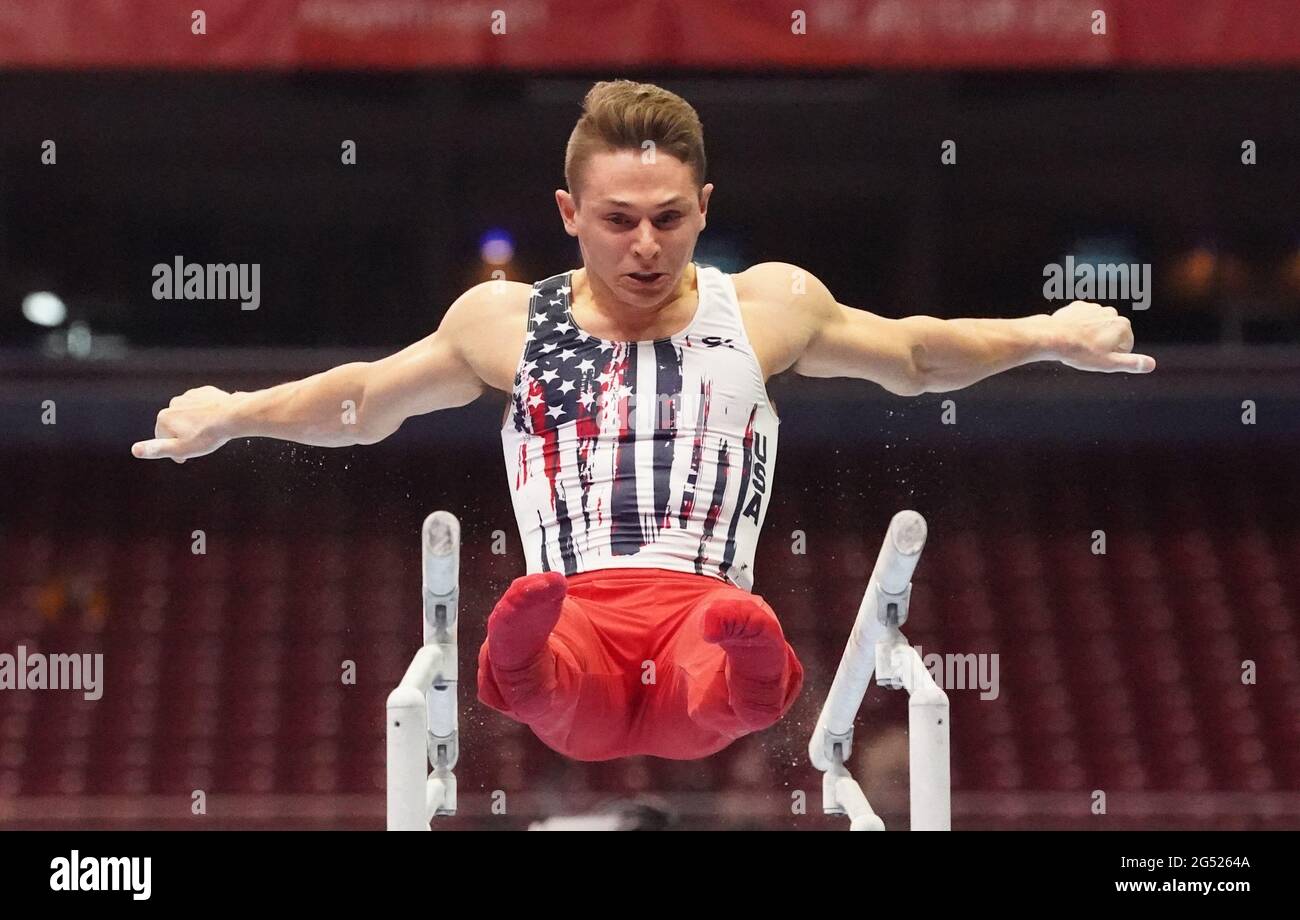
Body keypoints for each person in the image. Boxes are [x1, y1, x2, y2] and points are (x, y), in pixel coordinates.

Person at [132, 80, 1155, 762]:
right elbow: (362, 403)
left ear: (703, 205)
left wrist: (1044, 331)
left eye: (669, 216)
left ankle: (754, 666)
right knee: (548, 677)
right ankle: (522, 657)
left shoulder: (768, 305)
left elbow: (915, 355)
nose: (645, 243)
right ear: (569, 214)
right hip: (573, 604)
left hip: (704, 606)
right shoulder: (504, 320)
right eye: (617, 219)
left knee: (732, 684)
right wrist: (236, 411)